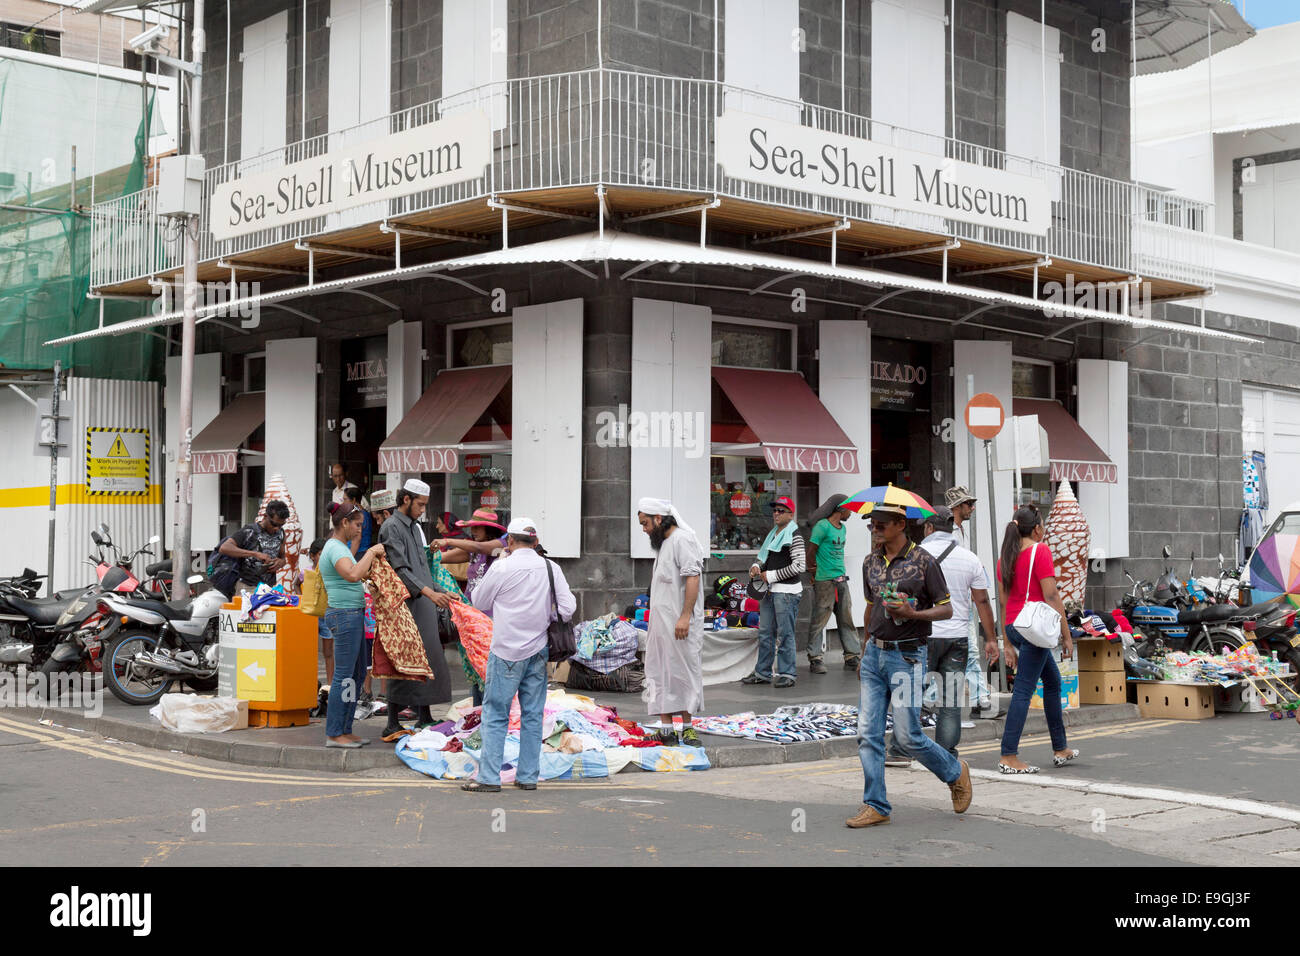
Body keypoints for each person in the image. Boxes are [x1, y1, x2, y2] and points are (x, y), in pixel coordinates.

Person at [847, 502, 972, 829]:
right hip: (875, 655)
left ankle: (955, 771)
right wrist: (863, 651)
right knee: (867, 734)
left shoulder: (924, 562)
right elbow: (870, 608)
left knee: (908, 736)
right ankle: (876, 804)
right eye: (871, 524)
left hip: (907, 657)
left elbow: (946, 610)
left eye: (881, 524)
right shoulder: (870, 562)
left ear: (900, 525)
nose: (874, 529)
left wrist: (912, 614)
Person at [462, 518, 576, 793]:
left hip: (505, 651)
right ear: (535, 542)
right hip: (538, 650)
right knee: (533, 714)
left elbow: (479, 602)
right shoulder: (551, 567)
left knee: (496, 713)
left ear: (509, 542)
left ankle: (489, 778)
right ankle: (527, 776)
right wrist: (544, 615)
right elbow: (568, 607)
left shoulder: (502, 566)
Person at [889, 506, 1000, 761]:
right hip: (957, 637)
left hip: (921, 635)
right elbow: (982, 601)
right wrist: (991, 639)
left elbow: (899, 596)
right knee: (950, 701)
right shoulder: (970, 558)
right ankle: (946, 753)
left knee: (910, 694)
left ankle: (901, 751)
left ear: (928, 528)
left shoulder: (913, 556)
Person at [995, 505, 1078, 774]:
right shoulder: (1039, 550)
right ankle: (1008, 756)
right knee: (1023, 691)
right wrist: (1067, 636)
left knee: (1052, 682)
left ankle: (1060, 748)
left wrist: (1007, 642)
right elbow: (1052, 596)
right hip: (1035, 629)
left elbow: (1004, 601)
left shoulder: (1005, 557)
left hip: (1014, 626)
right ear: (1037, 529)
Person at [377, 478, 454, 741]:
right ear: (406, 499)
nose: (423, 510)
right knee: (405, 663)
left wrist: (440, 591)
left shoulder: (412, 527)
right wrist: (431, 592)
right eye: (420, 504)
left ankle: (424, 715)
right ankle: (392, 722)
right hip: (404, 607)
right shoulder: (391, 527)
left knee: (428, 659)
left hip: (422, 602)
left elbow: (421, 569)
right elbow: (400, 570)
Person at [636, 498, 706, 748]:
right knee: (659, 673)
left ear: (658, 518)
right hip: (661, 624)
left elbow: (692, 578)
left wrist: (685, 616)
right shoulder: (664, 544)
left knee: (683, 673)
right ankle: (666, 729)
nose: (644, 529)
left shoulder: (682, 540)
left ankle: (687, 728)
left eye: (645, 523)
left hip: (679, 624)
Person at [317, 501, 385, 748]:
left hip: (352, 614)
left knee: (356, 675)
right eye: (357, 524)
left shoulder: (341, 547)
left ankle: (345, 729)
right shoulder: (334, 548)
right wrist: (371, 552)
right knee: (344, 676)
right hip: (344, 616)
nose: (360, 530)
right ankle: (334, 733)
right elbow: (353, 575)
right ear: (344, 523)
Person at [741, 496, 805, 688]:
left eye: (781, 510)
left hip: (786, 592)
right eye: (775, 510)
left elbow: (800, 566)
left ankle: (787, 673)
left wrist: (772, 575)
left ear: (790, 514)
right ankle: (763, 672)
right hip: (771, 590)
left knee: (785, 634)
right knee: (765, 632)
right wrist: (755, 566)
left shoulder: (795, 535)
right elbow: (763, 557)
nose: (776, 513)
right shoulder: (774, 534)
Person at [946, 485, 996, 718]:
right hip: (952, 603)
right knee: (963, 652)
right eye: (968, 504)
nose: (972, 508)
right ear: (956, 507)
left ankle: (979, 699)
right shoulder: (949, 534)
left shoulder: (961, 531)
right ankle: (978, 699)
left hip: (963, 602)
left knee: (970, 652)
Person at [803, 494, 862, 675]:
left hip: (841, 578)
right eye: (848, 509)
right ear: (840, 509)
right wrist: (813, 572)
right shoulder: (822, 527)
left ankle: (852, 656)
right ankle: (815, 658)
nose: (850, 513)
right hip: (824, 580)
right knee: (820, 619)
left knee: (846, 618)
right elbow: (811, 551)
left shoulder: (842, 529)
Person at [214, 499, 289, 597]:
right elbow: (224, 548)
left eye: (281, 525)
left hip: (268, 587)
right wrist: (254, 554)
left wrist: (281, 562)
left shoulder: (281, 533)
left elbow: (282, 558)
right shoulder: (250, 531)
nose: (277, 528)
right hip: (247, 587)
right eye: (274, 524)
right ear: (265, 516)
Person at [433, 508, 507, 603]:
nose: (473, 531)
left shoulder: (500, 546)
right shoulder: (471, 550)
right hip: (471, 606)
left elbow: (479, 547)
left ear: (489, 529)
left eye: (477, 527)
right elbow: (441, 557)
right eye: (472, 527)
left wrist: (448, 541)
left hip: (490, 609)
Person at [344, 485, 375, 556]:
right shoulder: (365, 513)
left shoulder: (357, 516)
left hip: (357, 553)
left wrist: (350, 558)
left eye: (345, 499)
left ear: (354, 500)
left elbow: (356, 539)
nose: (343, 503)